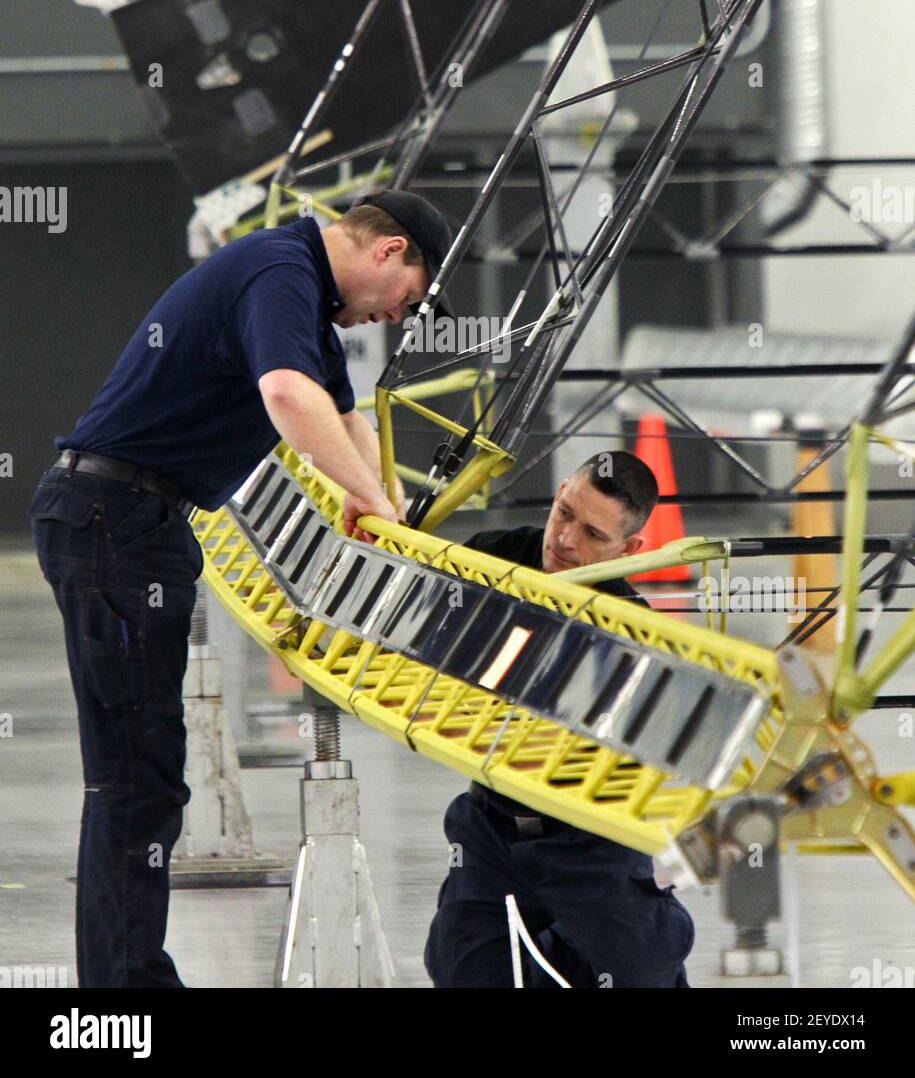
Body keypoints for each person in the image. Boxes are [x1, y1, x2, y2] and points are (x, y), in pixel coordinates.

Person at [28, 189, 451, 988]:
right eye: (411, 299)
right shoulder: (279, 270)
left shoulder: (296, 282)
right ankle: (124, 998)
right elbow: (288, 396)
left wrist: (389, 512)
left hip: (129, 521)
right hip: (113, 520)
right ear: (389, 253)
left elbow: (343, 417)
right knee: (133, 776)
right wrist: (365, 498)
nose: (397, 316)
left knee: (141, 773)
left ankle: (126, 982)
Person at [424, 451, 695, 989]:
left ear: (630, 549)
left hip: (588, 840)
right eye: (565, 512)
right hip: (491, 826)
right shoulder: (488, 562)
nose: (567, 540)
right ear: (559, 492)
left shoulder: (633, 632)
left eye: (594, 534)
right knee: (461, 969)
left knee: (638, 972)